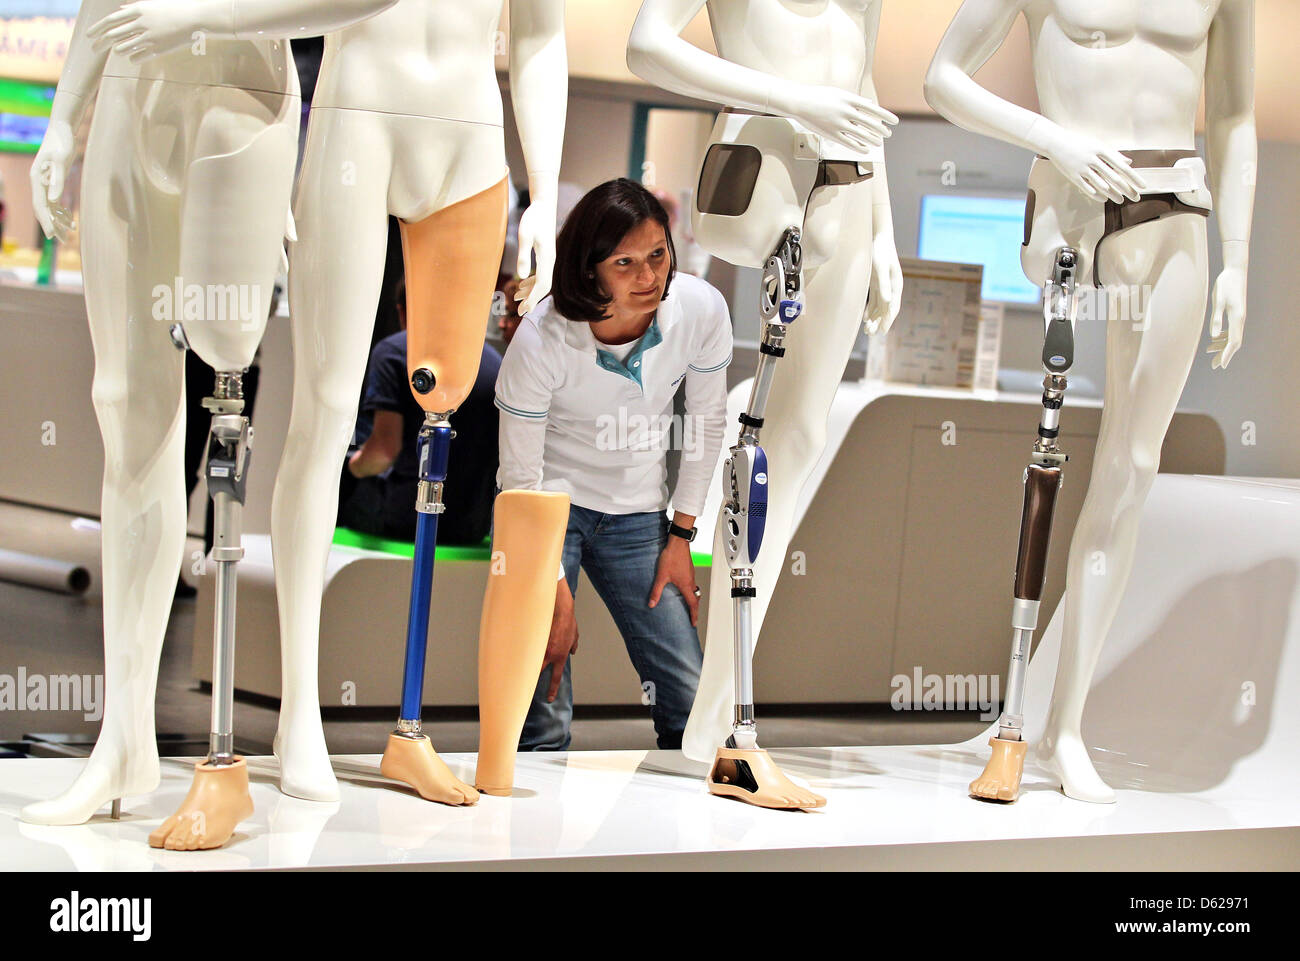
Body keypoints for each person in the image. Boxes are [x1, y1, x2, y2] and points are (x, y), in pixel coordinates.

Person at [495, 178, 732, 750]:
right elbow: (518, 478)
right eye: (625, 262)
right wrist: (548, 582)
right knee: (545, 701)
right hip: (549, 510)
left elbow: (705, 426)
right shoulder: (542, 338)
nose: (648, 277)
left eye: (657, 254)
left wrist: (681, 534)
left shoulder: (699, 310)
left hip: (637, 514)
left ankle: (689, 831)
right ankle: (526, 828)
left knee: (689, 703)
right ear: (590, 267)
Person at [340, 277, 501, 545]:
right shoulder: (494, 362)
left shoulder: (393, 352)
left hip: (405, 518)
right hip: (471, 525)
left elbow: (382, 452)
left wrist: (350, 468)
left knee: (342, 482)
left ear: (404, 310)